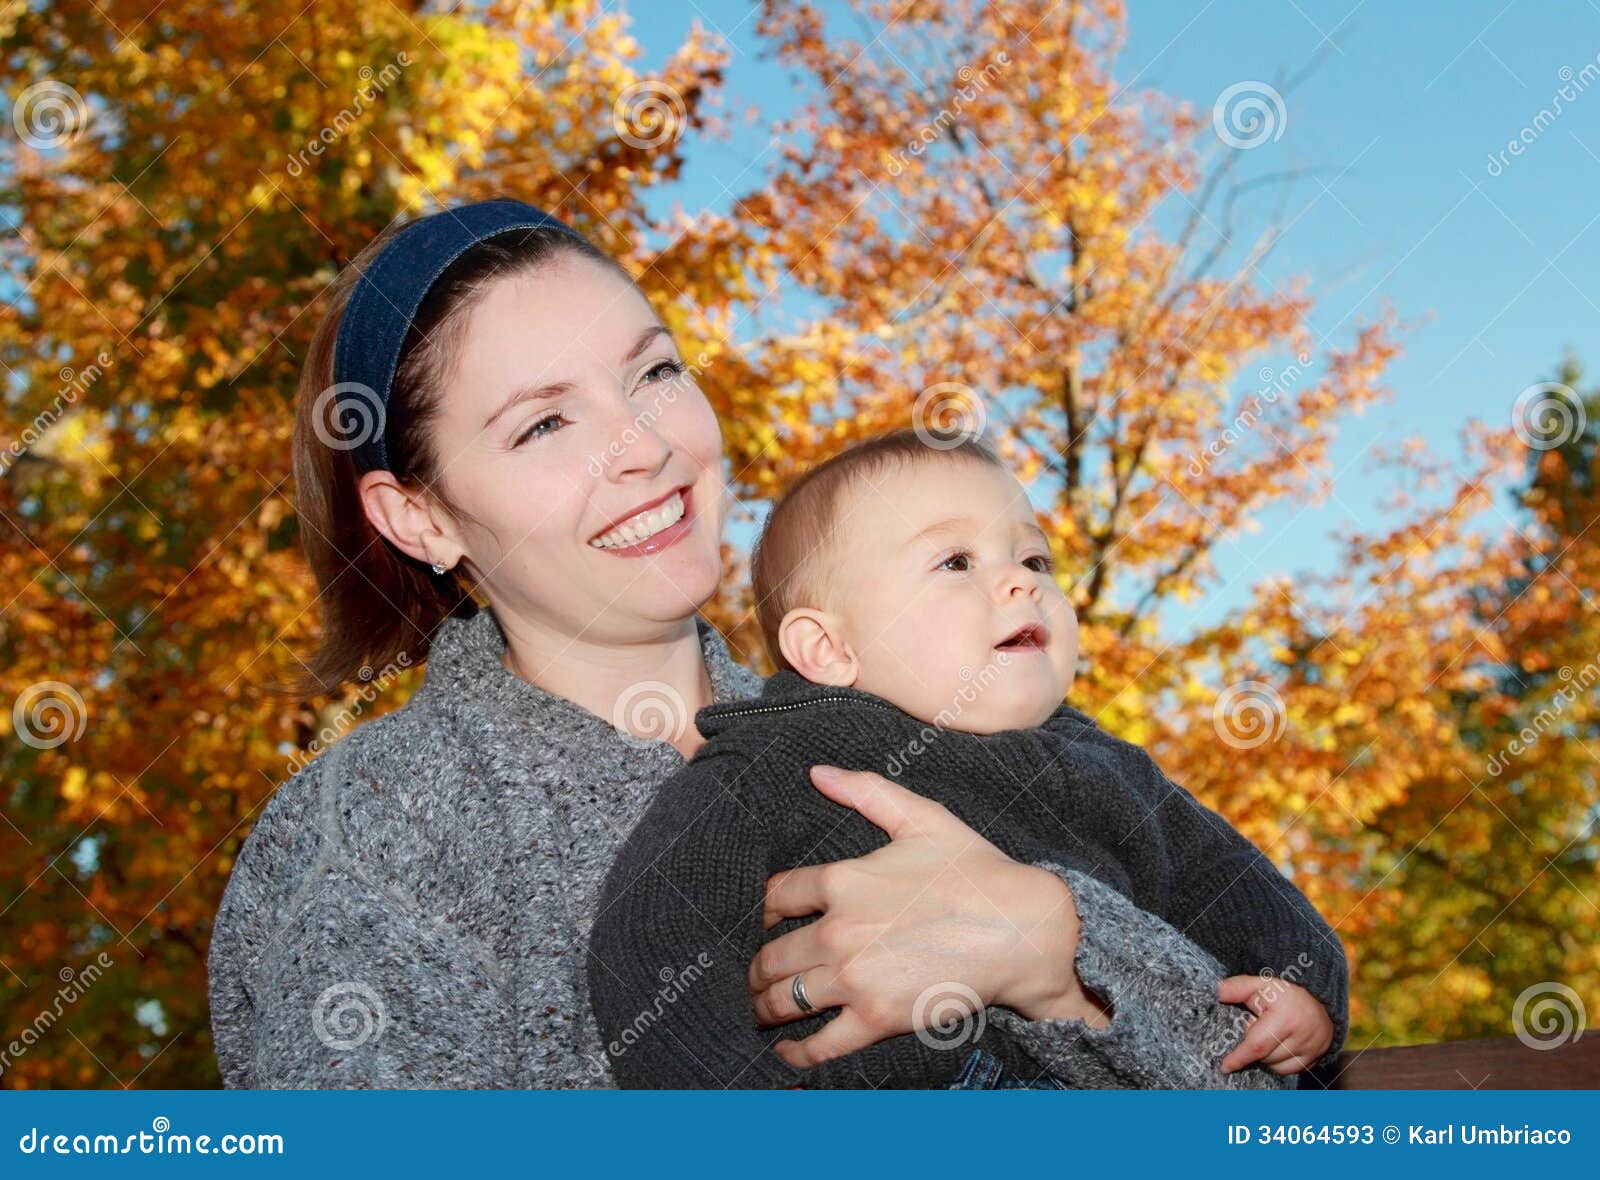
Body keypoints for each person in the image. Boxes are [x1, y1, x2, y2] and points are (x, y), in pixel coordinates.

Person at [207, 197, 1306, 1088]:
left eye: (653, 372)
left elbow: (1271, 1098)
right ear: (421, 517)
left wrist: (1059, 958)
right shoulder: (377, 831)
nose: (642, 445)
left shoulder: (929, 710)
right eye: (545, 422)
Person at [587, 428, 1348, 1089]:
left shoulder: (1113, 767)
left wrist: (1298, 983)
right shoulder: (774, 761)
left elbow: (1235, 883)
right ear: (828, 648)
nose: (1022, 580)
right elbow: (653, 941)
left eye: (1036, 560)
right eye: (956, 561)